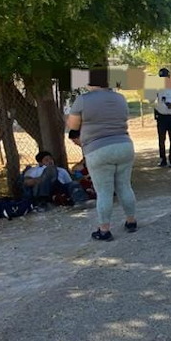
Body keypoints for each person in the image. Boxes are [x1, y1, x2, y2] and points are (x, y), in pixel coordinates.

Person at [67, 68, 138, 241]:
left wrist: (78, 137)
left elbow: (73, 126)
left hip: (98, 149)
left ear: (90, 82)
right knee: (124, 185)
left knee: (104, 191)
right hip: (124, 145)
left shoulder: (83, 100)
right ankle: (131, 221)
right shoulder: (120, 98)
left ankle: (104, 230)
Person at [152, 67, 171, 167]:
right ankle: (163, 159)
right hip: (161, 116)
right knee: (161, 139)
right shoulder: (156, 88)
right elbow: (152, 100)